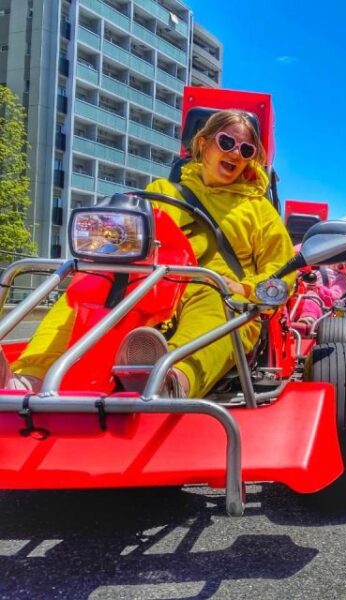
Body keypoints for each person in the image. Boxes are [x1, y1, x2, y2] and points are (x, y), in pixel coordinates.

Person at [2, 110, 295, 397]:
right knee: (86, 290)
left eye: (246, 150)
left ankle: (171, 382)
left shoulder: (259, 210)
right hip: (153, 282)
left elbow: (281, 271)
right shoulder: (162, 190)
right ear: (203, 142)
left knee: (215, 309)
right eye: (227, 142)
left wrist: (241, 288)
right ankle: (27, 381)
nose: (236, 154)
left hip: (214, 287)